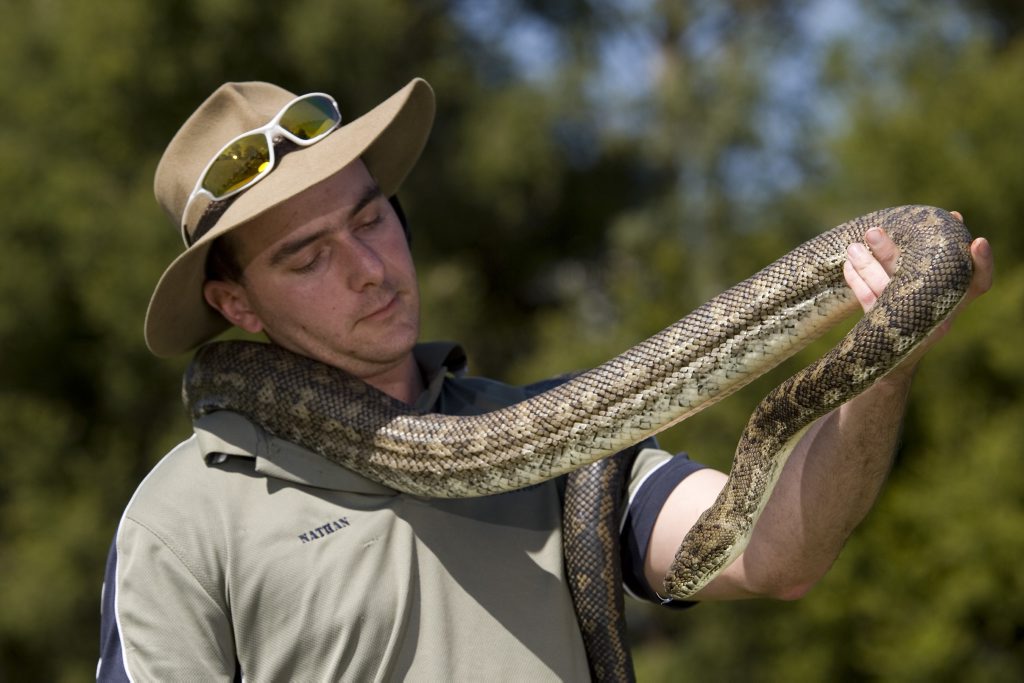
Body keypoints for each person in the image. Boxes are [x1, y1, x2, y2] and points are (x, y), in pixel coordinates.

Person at [97, 77, 993, 681]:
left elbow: (775, 554)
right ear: (237, 305)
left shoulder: (566, 437)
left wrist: (886, 360)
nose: (368, 268)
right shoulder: (181, 525)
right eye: (306, 259)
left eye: (371, 219)